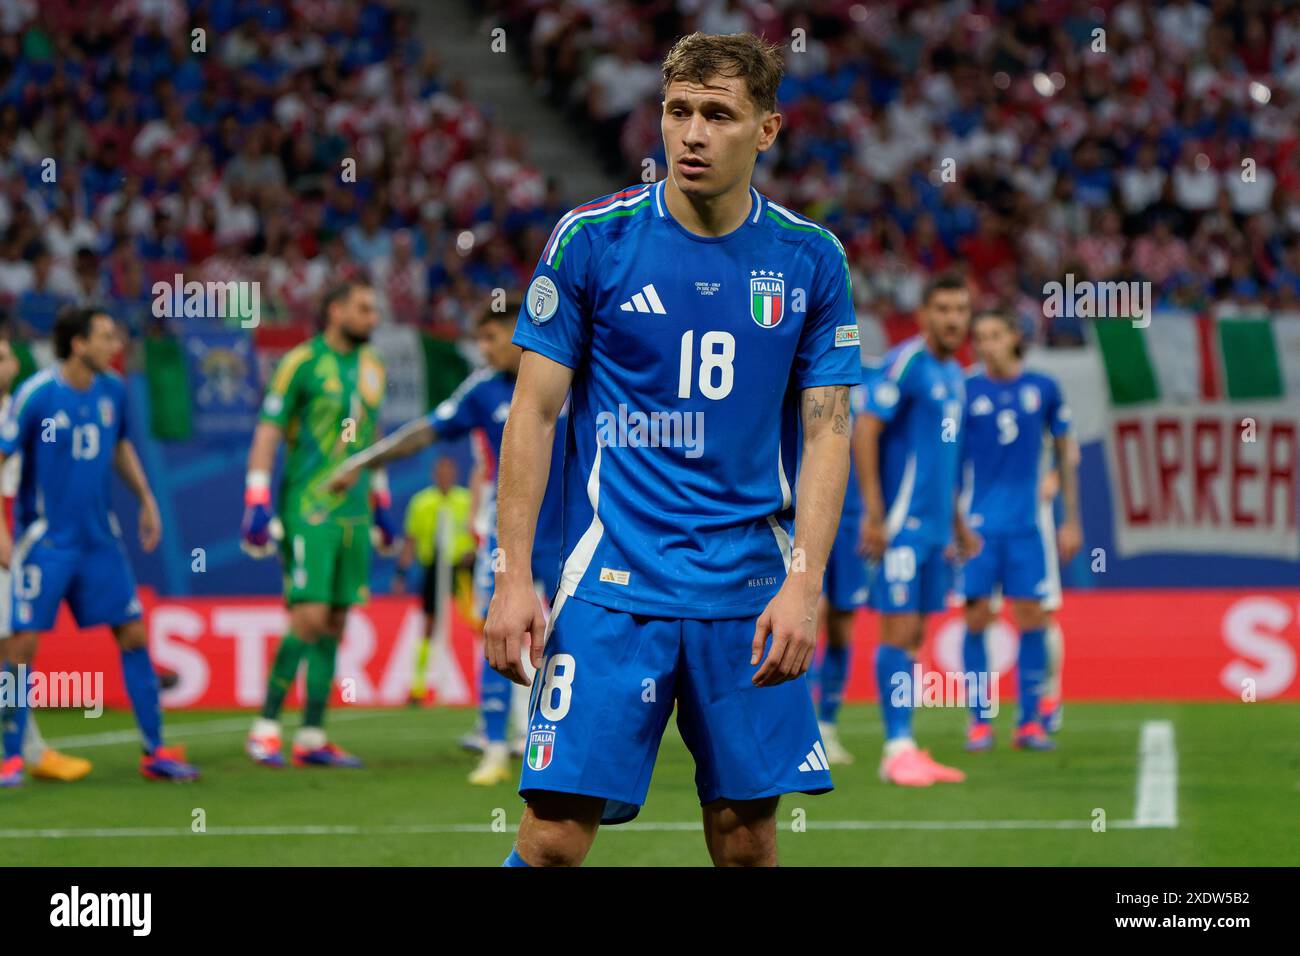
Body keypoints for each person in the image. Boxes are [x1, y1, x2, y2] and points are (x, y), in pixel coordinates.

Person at [486, 32, 858, 867]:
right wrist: (513, 575)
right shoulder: (592, 240)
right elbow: (533, 413)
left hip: (748, 588)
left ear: (767, 130)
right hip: (616, 583)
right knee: (550, 836)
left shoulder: (810, 258)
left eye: (718, 115)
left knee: (748, 842)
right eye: (677, 111)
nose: (691, 134)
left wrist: (805, 583)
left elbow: (829, 427)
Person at [326, 296, 566, 786]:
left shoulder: (570, 374)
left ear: (519, 332)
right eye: (479, 340)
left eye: (491, 339)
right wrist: (362, 463)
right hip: (507, 534)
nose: (483, 350)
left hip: (569, 530)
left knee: (573, 636)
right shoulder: (481, 392)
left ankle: (563, 745)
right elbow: (423, 432)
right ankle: (495, 747)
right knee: (500, 633)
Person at [0, 306, 198, 785]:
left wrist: (146, 497)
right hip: (46, 539)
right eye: (106, 337)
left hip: (99, 539)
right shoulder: (37, 397)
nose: (116, 345)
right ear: (78, 345)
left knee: (132, 633)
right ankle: (9, 758)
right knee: (20, 646)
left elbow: (119, 446)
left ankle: (155, 751)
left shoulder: (112, 390)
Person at [242, 281, 390, 769]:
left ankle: (310, 735)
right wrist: (257, 497)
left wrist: (383, 501)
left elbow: (374, 438)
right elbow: (268, 429)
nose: (373, 317)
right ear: (336, 309)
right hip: (309, 507)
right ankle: (264, 728)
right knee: (308, 616)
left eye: (375, 310)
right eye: (364, 308)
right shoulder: (302, 363)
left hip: (354, 512)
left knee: (336, 621)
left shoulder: (373, 369)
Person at [855, 274, 979, 787]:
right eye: (944, 308)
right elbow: (865, 429)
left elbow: (942, 461)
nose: (953, 318)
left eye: (961, 309)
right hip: (901, 526)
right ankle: (895, 749)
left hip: (934, 533)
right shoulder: (907, 363)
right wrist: (874, 512)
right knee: (898, 629)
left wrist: (958, 526)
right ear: (925, 313)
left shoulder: (956, 375)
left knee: (916, 636)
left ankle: (905, 742)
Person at [959, 311, 1080, 749]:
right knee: (976, 617)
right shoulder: (966, 390)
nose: (986, 343)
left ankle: (1030, 720)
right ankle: (979, 720)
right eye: (980, 336)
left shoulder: (1043, 389)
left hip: (1029, 528)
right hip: (977, 529)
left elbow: (1067, 454)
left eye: (994, 334)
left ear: (1014, 337)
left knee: (1032, 617)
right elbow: (951, 460)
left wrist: (1071, 520)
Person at [396, 456, 475, 705]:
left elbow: (479, 532)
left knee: (478, 620)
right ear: (434, 475)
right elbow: (411, 539)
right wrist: (401, 573)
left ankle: (491, 683)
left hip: (462, 568)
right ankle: (418, 687)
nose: (445, 477)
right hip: (433, 567)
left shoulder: (466, 500)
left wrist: (473, 551)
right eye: (440, 473)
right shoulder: (421, 502)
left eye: (449, 472)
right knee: (429, 624)